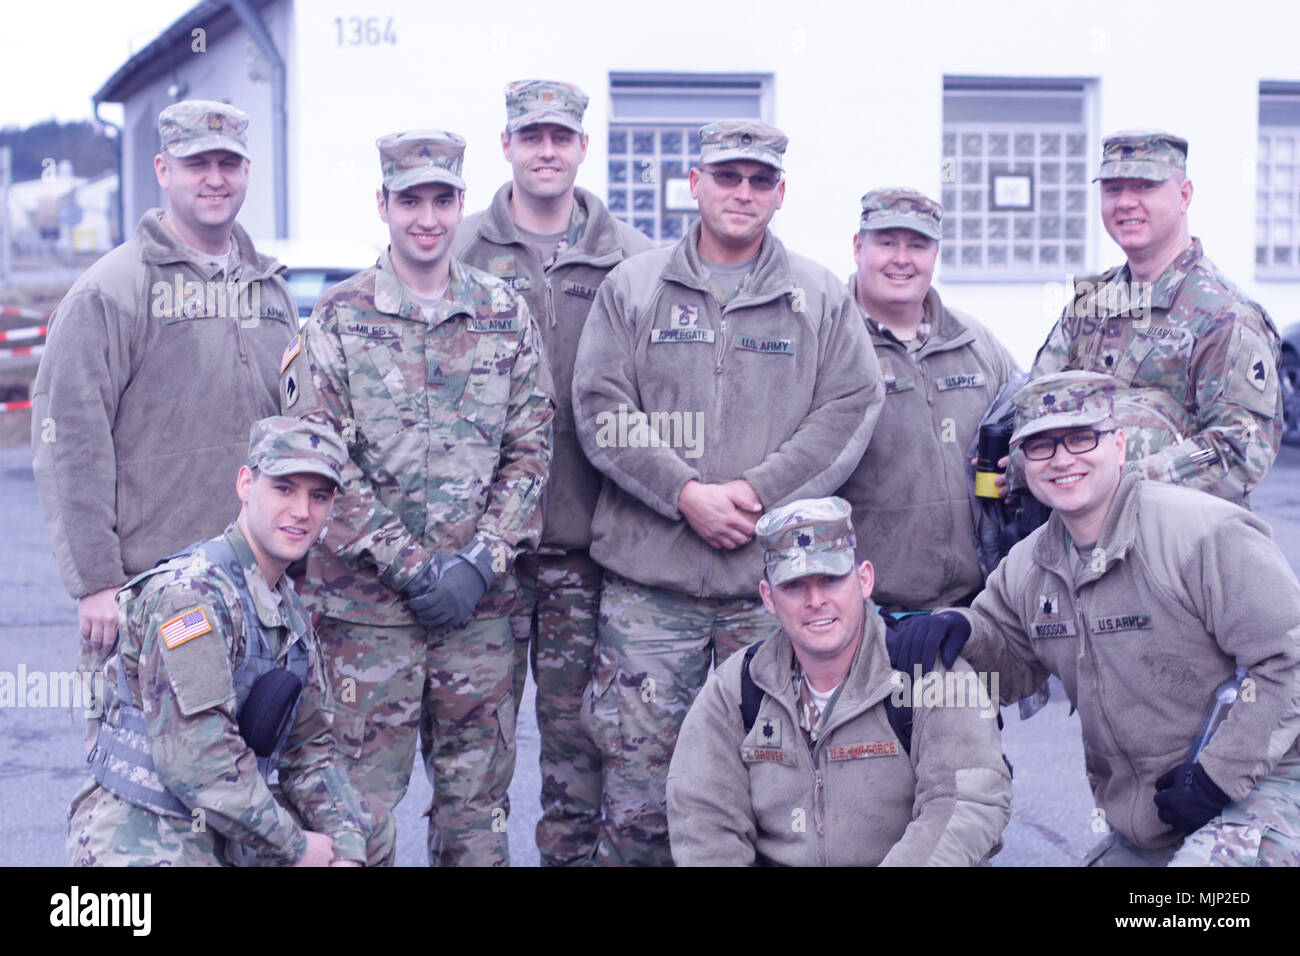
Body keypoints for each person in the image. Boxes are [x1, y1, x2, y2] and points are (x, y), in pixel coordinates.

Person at [572, 119, 884, 865]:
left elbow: (851, 405)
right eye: (727, 177)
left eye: (758, 180)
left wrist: (757, 493)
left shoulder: (815, 297)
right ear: (696, 184)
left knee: (776, 795)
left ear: (780, 193)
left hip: (767, 592)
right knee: (639, 799)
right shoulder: (636, 287)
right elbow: (599, 406)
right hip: (651, 592)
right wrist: (684, 493)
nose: (741, 193)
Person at [891, 370, 1300, 866]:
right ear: (1021, 461)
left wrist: (1217, 775)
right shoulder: (1029, 566)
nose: (1063, 459)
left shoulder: (1201, 533)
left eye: (1081, 437)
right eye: (1041, 446)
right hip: (1158, 818)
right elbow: (1010, 660)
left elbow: (1288, 657)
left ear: (1119, 444)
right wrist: (961, 631)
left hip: (1267, 791)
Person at [281, 129, 554, 867]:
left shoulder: (504, 314)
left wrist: (479, 562)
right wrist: (413, 567)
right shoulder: (340, 317)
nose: (426, 218)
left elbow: (532, 450)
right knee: (356, 817)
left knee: (478, 819)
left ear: (461, 204)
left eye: (441, 199)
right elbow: (320, 464)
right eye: (410, 200)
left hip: (481, 619)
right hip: (366, 621)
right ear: (384, 204)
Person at [452, 79, 651, 866]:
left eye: (559, 138)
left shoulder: (631, 258)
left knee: (580, 761)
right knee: (472, 761)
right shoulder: (457, 247)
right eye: (530, 136)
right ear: (506, 145)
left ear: (581, 149)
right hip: (480, 555)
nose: (545, 150)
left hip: (583, 551)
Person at [31, 100, 297, 687]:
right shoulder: (111, 292)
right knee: (144, 775)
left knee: (251, 771)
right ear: (162, 169)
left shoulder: (270, 290)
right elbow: (71, 443)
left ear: (248, 172)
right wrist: (96, 581)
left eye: (229, 162)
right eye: (196, 162)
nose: (214, 178)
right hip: (152, 593)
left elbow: (294, 435)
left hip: (260, 592)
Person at [67, 417, 394, 867]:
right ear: (246, 483)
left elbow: (310, 751)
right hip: (145, 828)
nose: (302, 511)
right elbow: (200, 766)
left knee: (369, 830)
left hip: (224, 819)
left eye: (318, 496)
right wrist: (297, 848)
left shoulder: (286, 610)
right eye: (284, 488)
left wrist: (346, 849)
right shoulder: (190, 598)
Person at [666, 496, 1011, 866]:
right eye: (794, 585)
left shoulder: (928, 672)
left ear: (864, 580)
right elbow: (703, 818)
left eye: (831, 579)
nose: (815, 600)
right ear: (768, 596)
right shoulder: (737, 688)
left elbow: (966, 802)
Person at [1030, 129, 1283, 506]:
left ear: (1184, 196)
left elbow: (1242, 446)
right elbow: (1040, 402)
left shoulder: (1226, 315)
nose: (1125, 203)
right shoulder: (1091, 302)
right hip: (1075, 537)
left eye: (1144, 186)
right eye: (1113, 189)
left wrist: (1120, 479)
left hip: (1178, 543)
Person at [836, 188, 1018, 611]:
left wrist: (1020, 467)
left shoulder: (974, 342)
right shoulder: (830, 342)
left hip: (980, 608)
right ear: (858, 247)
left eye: (917, 245)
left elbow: (1027, 420)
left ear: (935, 255)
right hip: (872, 614)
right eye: (886, 242)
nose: (902, 259)